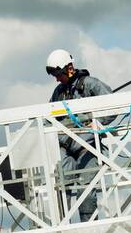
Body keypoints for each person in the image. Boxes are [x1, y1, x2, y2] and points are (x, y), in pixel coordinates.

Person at [47, 49, 115, 222]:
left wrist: (99, 123)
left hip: (88, 146)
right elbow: (48, 118)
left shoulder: (90, 84)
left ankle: (90, 226)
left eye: (58, 74)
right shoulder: (58, 92)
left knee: (86, 186)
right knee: (62, 185)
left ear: (69, 69)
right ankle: (64, 226)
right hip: (65, 146)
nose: (57, 78)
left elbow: (113, 104)